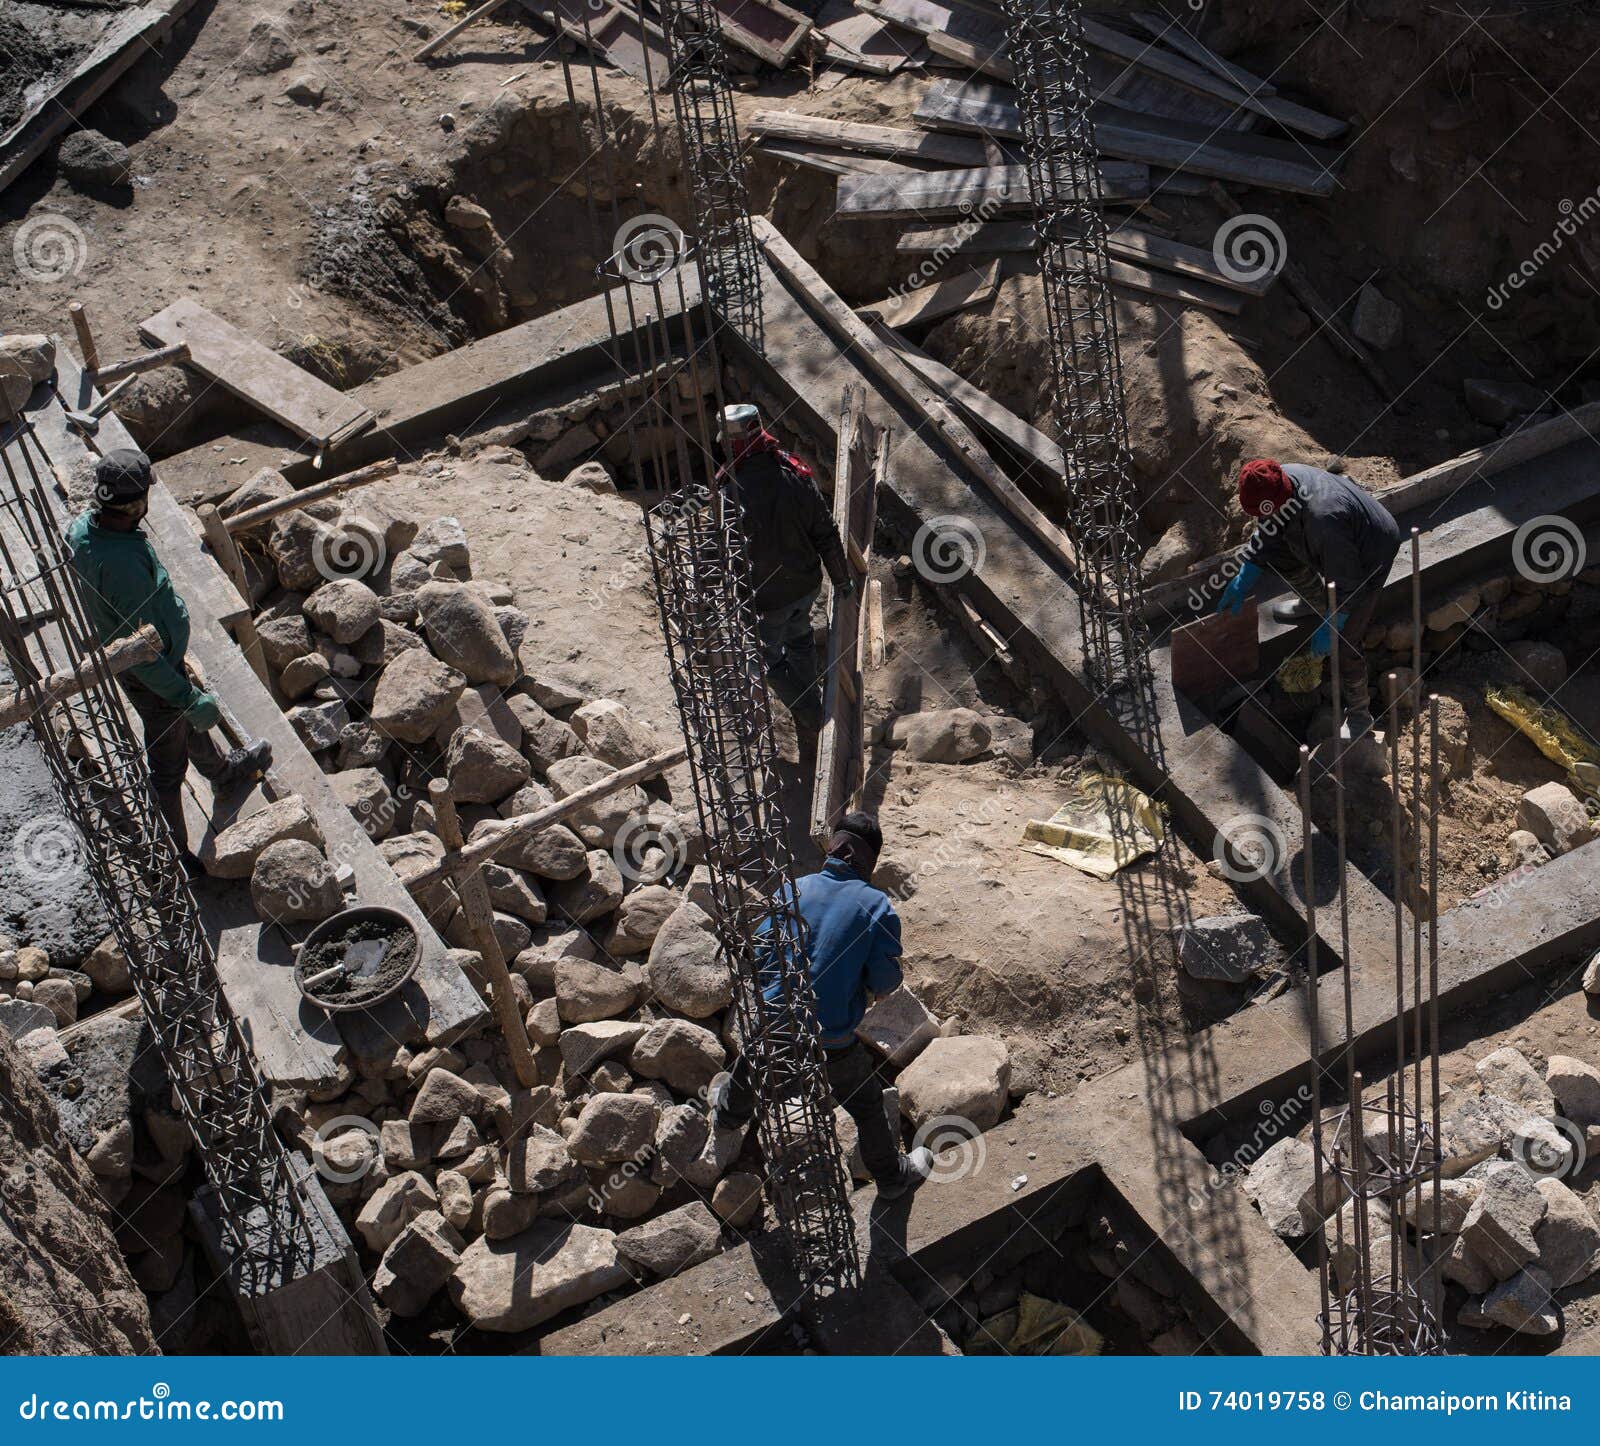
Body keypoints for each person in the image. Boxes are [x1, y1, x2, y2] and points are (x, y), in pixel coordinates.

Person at [708, 812, 934, 1201]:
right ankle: (892, 1178)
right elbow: (885, 982)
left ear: (832, 847)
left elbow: (761, 953)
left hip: (774, 1026)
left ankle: (728, 1116)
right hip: (829, 1039)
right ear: (869, 861)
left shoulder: (792, 889)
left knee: (755, 1059)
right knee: (866, 1105)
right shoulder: (877, 906)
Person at [66, 449, 271, 867]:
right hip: (151, 673)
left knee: (183, 724)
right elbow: (141, 658)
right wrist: (185, 696)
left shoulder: (84, 530)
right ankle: (178, 856)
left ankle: (221, 773)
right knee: (167, 767)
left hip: (153, 661)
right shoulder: (120, 564)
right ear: (136, 504)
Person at [1216, 458, 1401, 729]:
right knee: (1279, 553)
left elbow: (1348, 583)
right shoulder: (1283, 479)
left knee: (1346, 639)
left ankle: (1360, 712)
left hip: (1370, 555)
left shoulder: (1325, 520)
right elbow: (1270, 531)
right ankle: (1314, 602)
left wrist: (1333, 623)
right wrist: (1246, 574)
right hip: (1338, 541)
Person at [720, 403, 852, 714]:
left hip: (767, 600)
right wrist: (842, 578)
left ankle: (808, 712)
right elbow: (825, 532)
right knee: (800, 637)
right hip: (806, 584)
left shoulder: (729, 492)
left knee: (768, 659)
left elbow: (723, 552)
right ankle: (812, 697)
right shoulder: (795, 472)